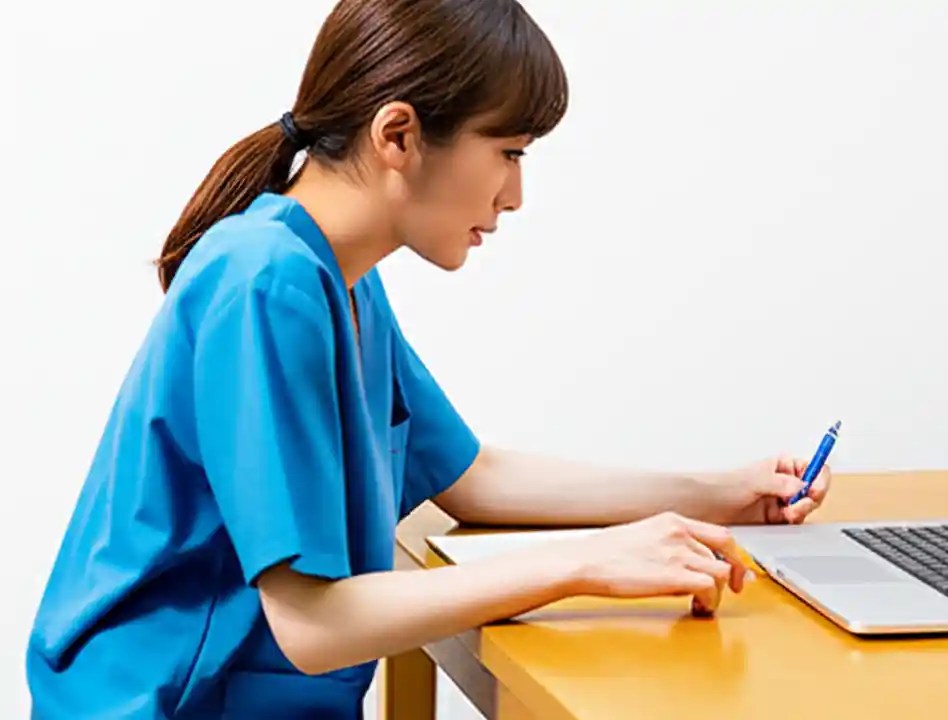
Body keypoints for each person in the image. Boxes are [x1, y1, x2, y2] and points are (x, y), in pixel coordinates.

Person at [26, 0, 831, 717]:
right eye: (510, 152)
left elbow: (472, 479)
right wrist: (586, 563)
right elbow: (311, 624)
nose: (514, 196)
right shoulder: (264, 281)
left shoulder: (339, 280)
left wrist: (718, 493)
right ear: (400, 135)